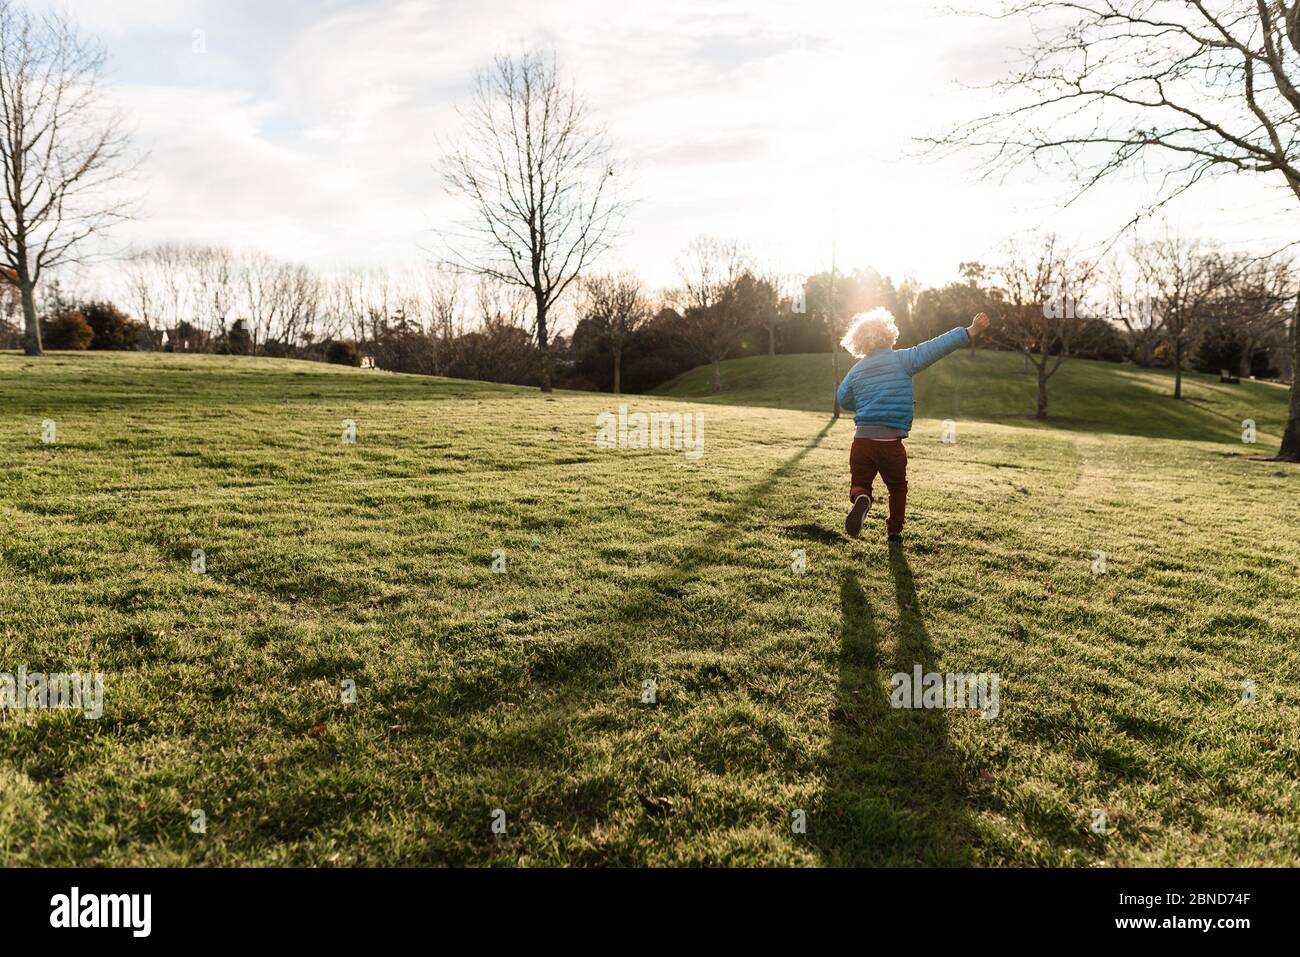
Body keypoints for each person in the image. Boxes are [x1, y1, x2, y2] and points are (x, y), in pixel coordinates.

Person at [836, 308, 990, 543]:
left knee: (860, 483)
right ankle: (894, 532)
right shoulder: (903, 360)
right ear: (890, 335)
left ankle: (862, 499)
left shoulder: (856, 370)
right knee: (897, 487)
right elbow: (935, 347)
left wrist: (866, 402)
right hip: (890, 443)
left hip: (862, 441)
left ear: (859, 341)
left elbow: (843, 398)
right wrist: (970, 331)